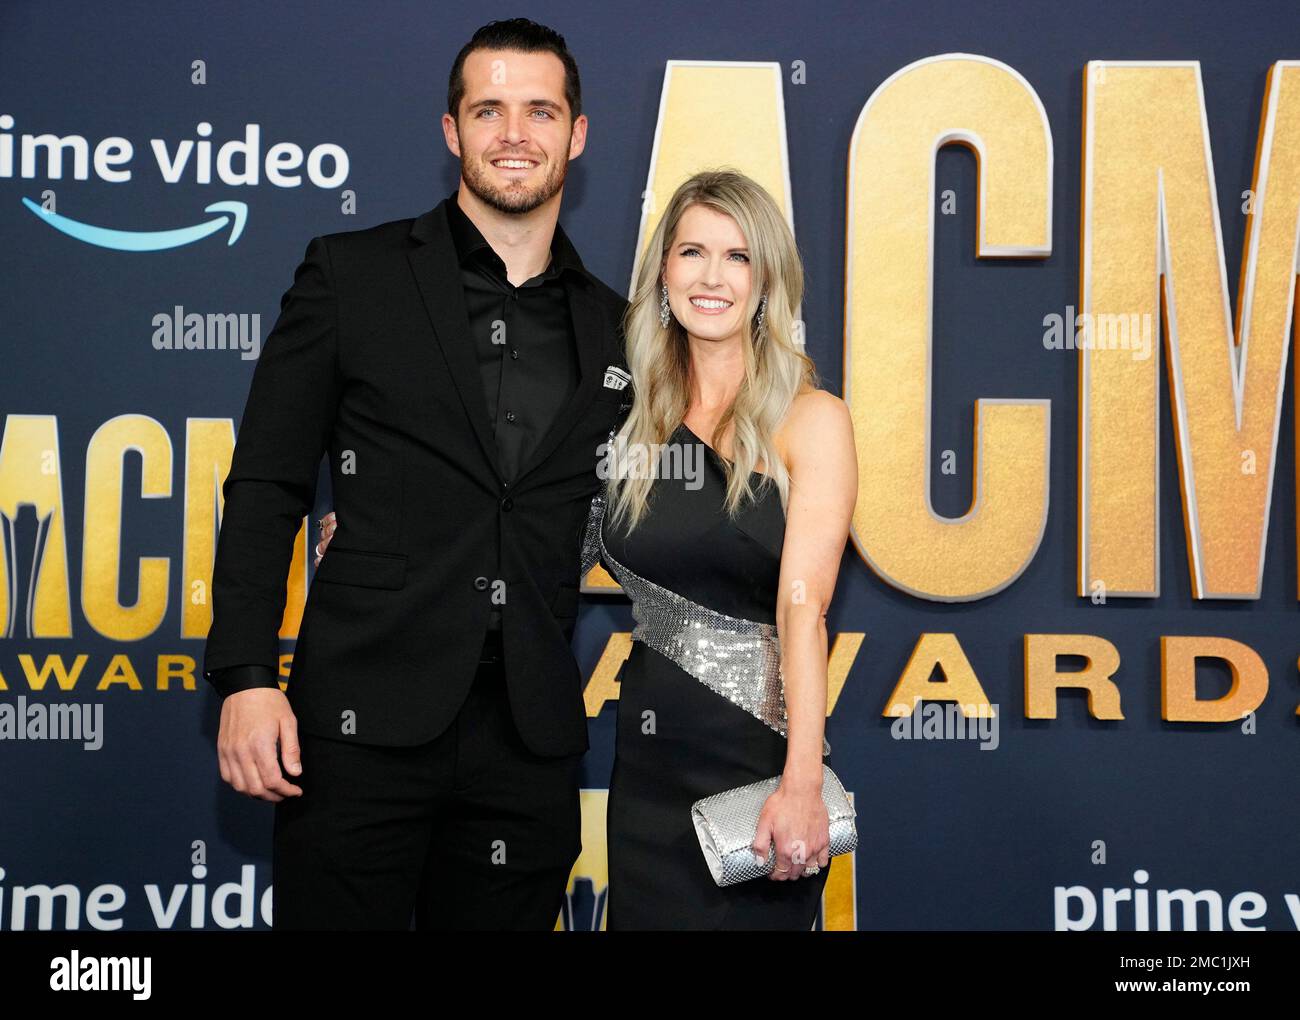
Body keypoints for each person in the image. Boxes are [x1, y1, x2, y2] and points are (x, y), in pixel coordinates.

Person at [319, 169, 858, 930]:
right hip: (648, 760)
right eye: (691, 252)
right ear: (662, 273)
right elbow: (528, 535)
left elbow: (806, 610)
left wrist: (803, 778)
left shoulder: (812, 419)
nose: (712, 277)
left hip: (758, 762)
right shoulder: (623, 417)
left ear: (768, 280)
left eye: (738, 257)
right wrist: (397, 535)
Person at [203, 19, 632, 929]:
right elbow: (268, 482)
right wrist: (245, 675)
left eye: (540, 110)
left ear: (577, 135)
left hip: (529, 743)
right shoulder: (350, 278)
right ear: (452, 132)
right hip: (359, 731)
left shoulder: (620, 329)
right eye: (489, 110)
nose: (514, 133)